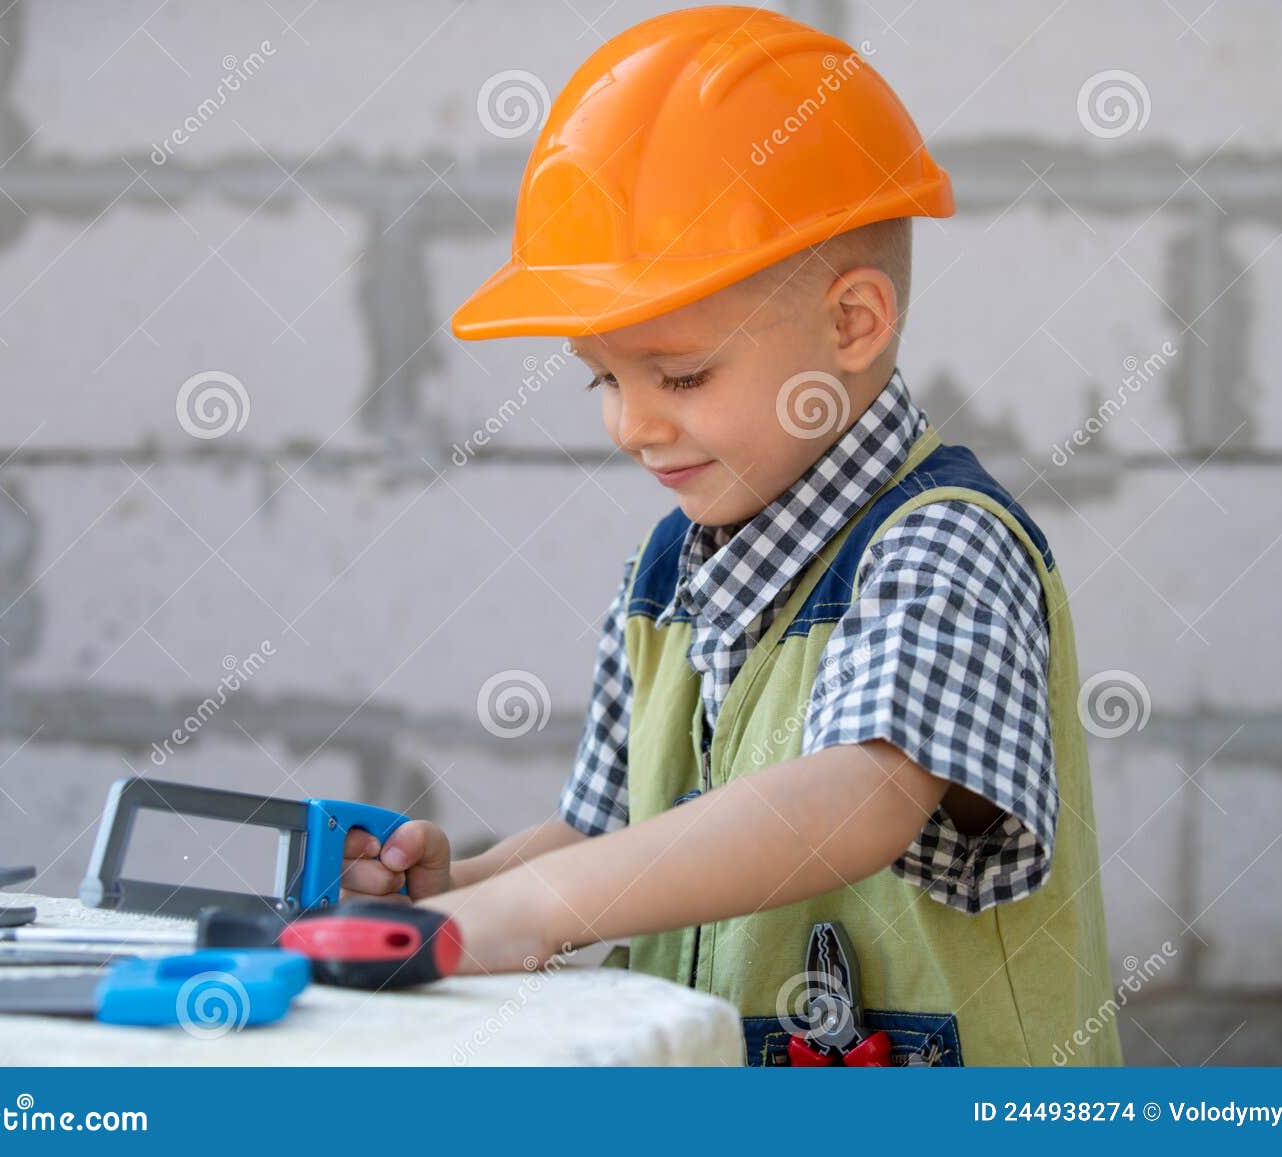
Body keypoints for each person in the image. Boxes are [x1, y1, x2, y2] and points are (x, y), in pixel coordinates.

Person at [340, 5, 1122, 1067]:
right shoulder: (666, 572)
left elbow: (858, 796)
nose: (631, 423)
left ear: (852, 323)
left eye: (682, 374)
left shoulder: (944, 546)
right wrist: (458, 895)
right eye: (603, 378)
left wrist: (533, 910)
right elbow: (602, 838)